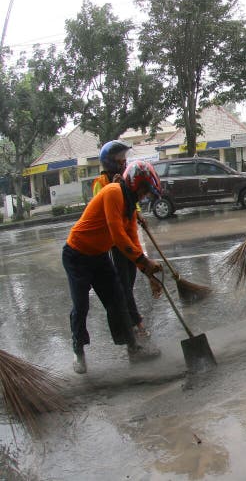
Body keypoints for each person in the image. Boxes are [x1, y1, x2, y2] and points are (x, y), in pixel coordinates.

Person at [63, 160, 164, 374]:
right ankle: (78, 350)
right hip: (77, 255)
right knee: (81, 305)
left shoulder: (129, 207)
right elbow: (117, 236)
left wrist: (149, 274)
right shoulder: (113, 193)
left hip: (99, 256)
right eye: (146, 191)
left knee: (118, 300)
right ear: (136, 184)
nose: (146, 196)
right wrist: (145, 262)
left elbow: (132, 241)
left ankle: (133, 349)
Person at [93, 140, 148, 338]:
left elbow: (130, 200)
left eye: (125, 160)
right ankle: (136, 323)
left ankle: (133, 319)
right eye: (120, 160)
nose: (124, 163)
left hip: (128, 234)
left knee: (130, 280)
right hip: (116, 241)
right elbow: (106, 208)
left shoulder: (124, 178)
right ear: (110, 162)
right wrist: (114, 186)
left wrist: (138, 213)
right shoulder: (101, 183)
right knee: (123, 283)